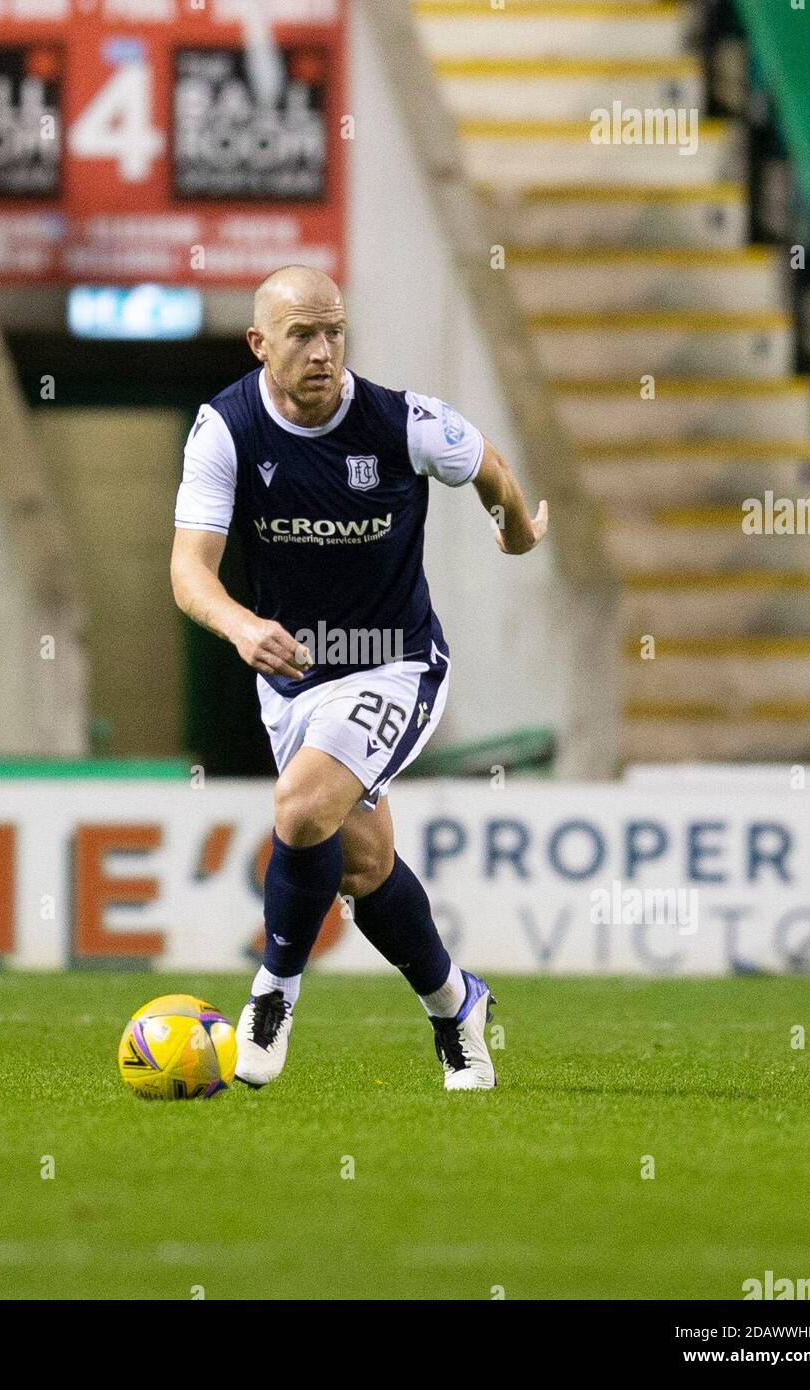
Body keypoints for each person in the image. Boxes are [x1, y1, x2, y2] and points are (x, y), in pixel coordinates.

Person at [170, 266, 547, 1091]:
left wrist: (515, 532)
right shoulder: (225, 431)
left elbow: (489, 468)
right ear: (258, 343)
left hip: (396, 661)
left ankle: (272, 995)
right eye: (302, 334)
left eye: (334, 331)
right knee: (362, 864)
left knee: (303, 811)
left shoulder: (400, 421)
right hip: (295, 678)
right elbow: (188, 573)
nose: (323, 350)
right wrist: (240, 626)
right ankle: (457, 1005)